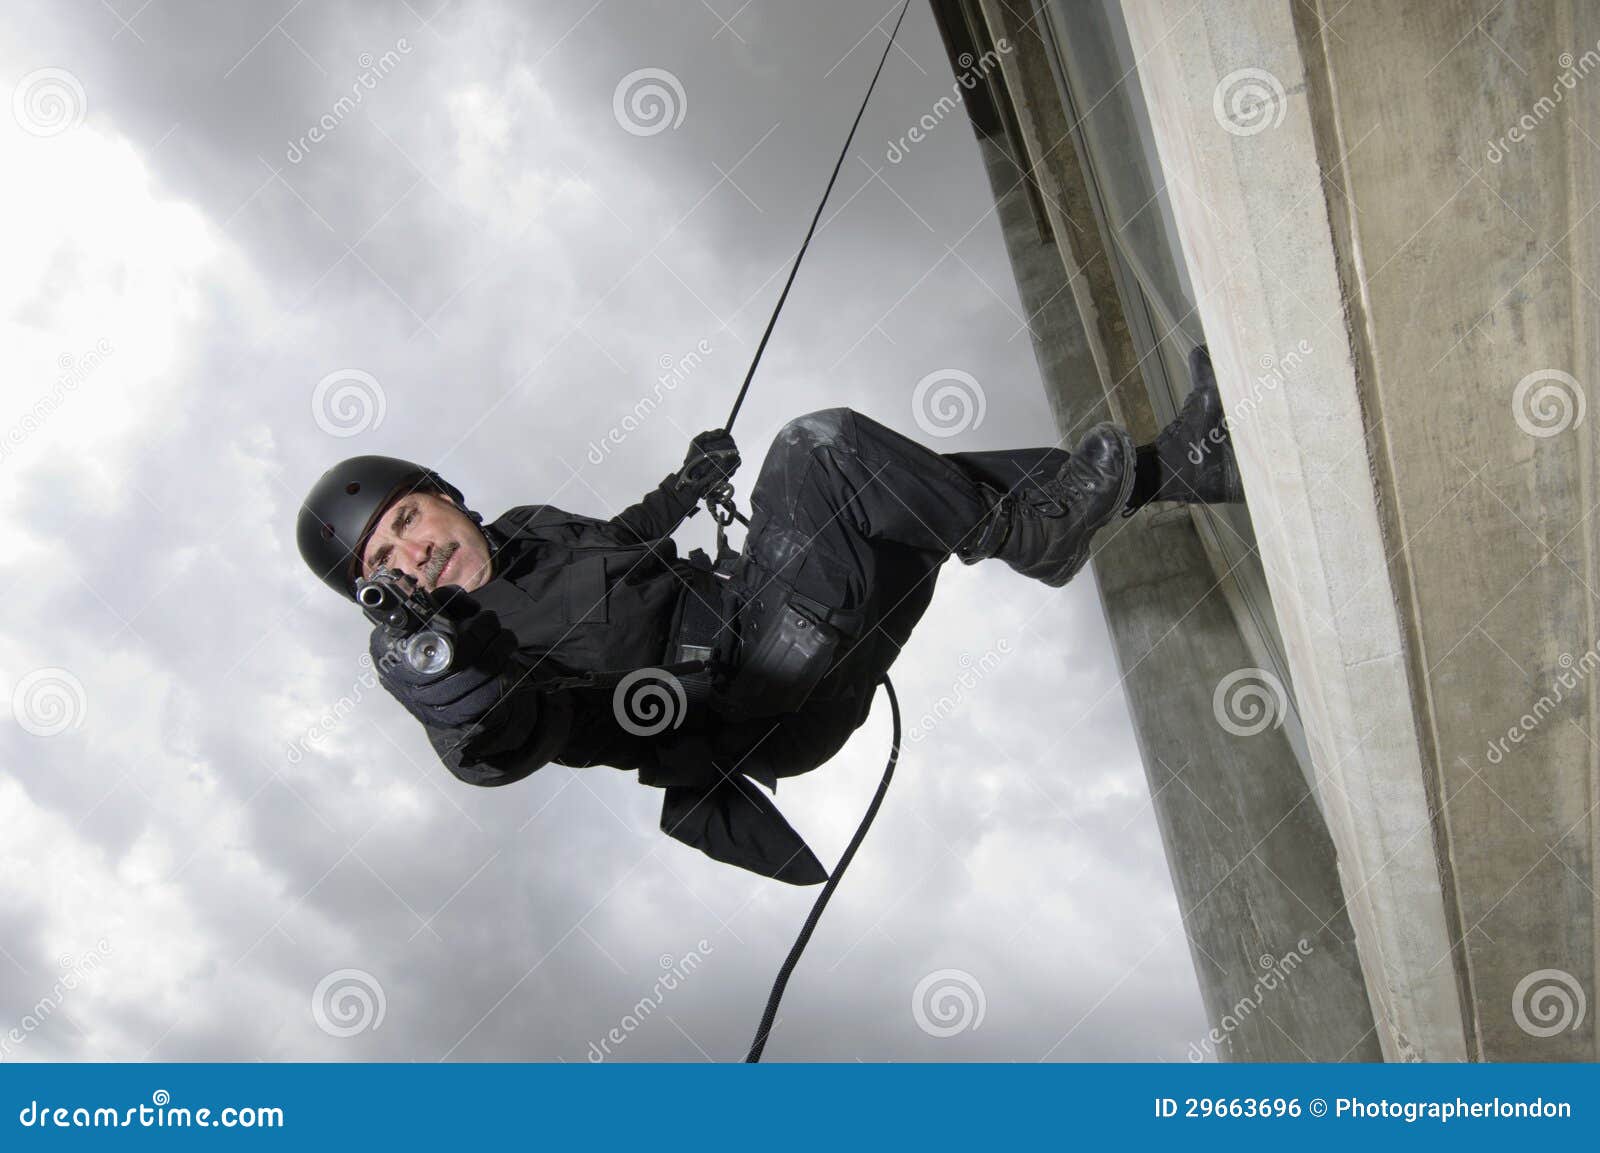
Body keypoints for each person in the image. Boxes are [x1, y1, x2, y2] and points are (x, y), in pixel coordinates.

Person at [296, 347, 1242, 883]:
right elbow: (503, 735)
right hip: (755, 695)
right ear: (396, 597)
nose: (413, 548)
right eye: (387, 560)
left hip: (767, 610)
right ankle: (1042, 539)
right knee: (819, 448)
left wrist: (686, 483)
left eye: (409, 518)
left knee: (914, 487)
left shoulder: (530, 528)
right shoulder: (481, 654)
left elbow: (623, 542)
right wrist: (451, 692)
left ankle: (1187, 464)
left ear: (444, 495)